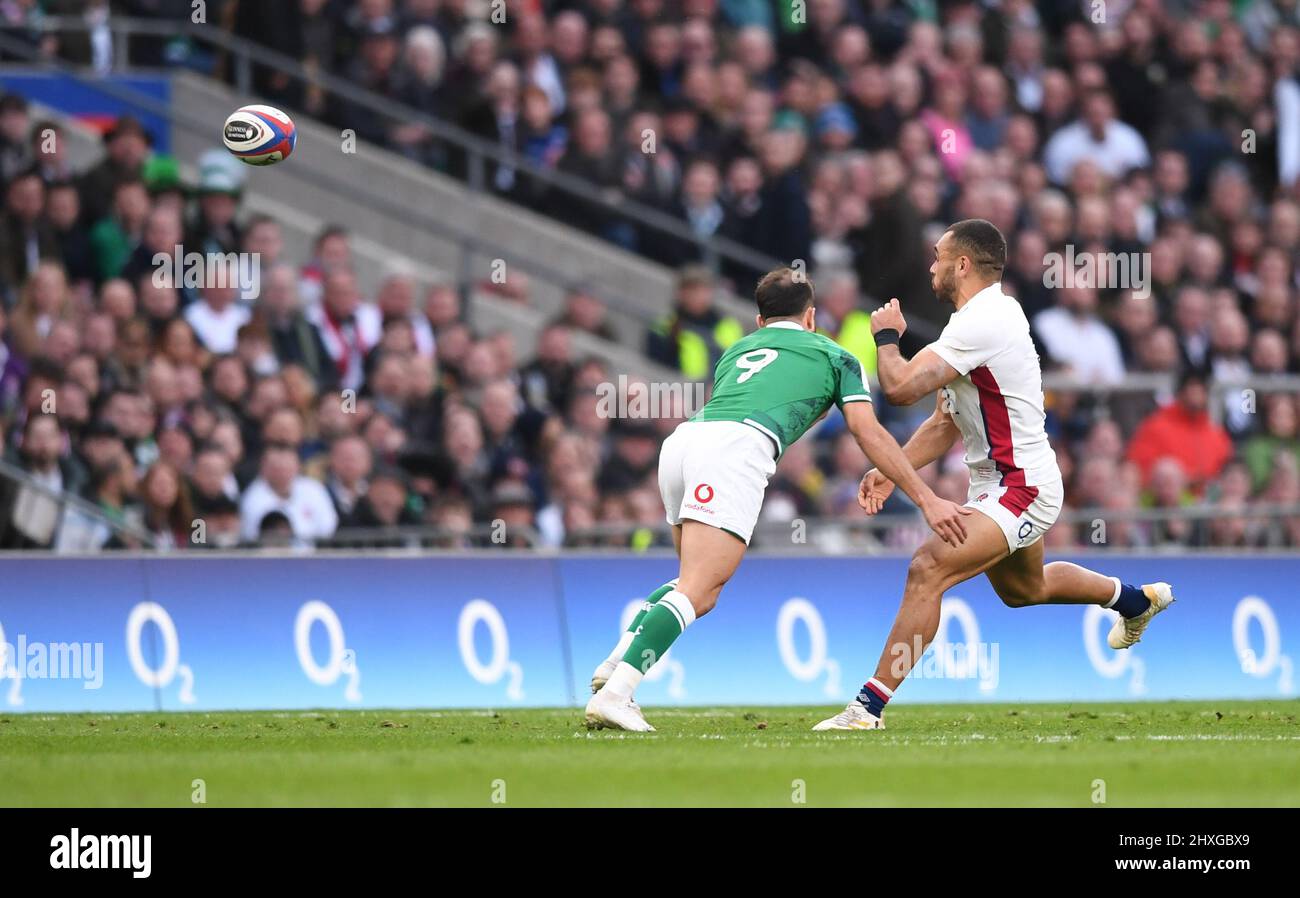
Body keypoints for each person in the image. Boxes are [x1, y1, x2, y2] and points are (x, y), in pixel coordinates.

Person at [814, 220, 1174, 732]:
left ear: (962, 265)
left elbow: (896, 389)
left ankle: (866, 709)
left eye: (938, 257)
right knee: (1024, 591)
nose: (931, 266)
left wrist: (887, 337)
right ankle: (1136, 599)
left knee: (927, 568)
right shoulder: (976, 322)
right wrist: (892, 471)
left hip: (1022, 487)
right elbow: (943, 424)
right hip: (1000, 485)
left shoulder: (983, 322)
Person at [585, 267, 972, 732]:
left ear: (759, 320)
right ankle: (616, 693)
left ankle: (614, 665)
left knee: (691, 580)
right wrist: (926, 498)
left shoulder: (738, 350)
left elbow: (782, 411)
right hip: (732, 452)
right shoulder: (838, 355)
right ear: (811, 316)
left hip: (684, 443)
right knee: (700, 588)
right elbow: (867, 431)